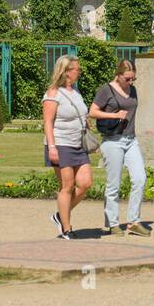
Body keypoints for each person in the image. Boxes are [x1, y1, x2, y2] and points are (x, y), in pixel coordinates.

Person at [91, 60, 149, 236]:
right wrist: (114, 115)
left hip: (131, 140)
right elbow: (92, 111)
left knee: (140, 178)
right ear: (118, 75)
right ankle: (113, 223)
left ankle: (133, 221)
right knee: (113, 184)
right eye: (128, 79)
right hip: (112, 140)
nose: (131, 83)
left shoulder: (133, 90)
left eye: (133, 79)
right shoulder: (105, 90)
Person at [42, 55, 93, 239]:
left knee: (86, 182)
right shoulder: (53, 93)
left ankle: (59, 215)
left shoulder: (76, 91)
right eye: (77, 69)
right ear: (66, 72)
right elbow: (47, 122)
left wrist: (85, 122)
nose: (79, 72)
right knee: (67, 186)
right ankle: (66, 227)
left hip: (77, 144)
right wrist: (52, 147)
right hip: (60, 144)